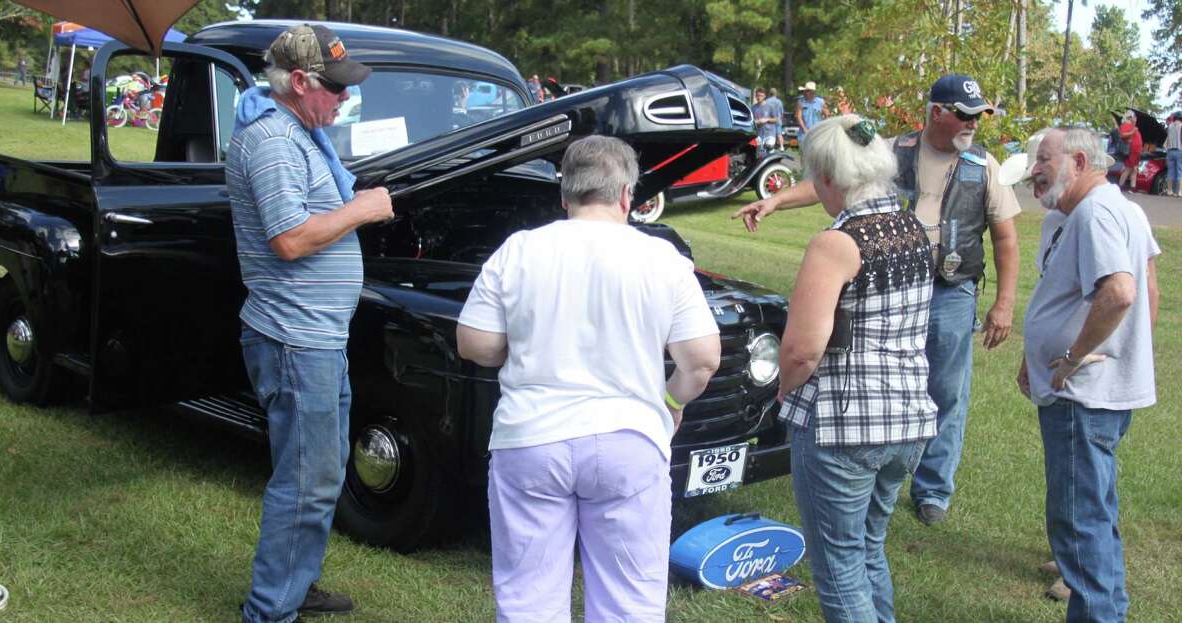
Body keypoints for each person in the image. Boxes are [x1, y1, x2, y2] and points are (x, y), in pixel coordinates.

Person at [736, 74, 1021, 526]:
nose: (973, 124)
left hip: (949, 289)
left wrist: (1003, 303)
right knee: (892, 371)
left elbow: (1005, 238)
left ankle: (932, 490)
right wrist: (775, 201)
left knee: (947, 392)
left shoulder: (983, 165)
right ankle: (881, 468)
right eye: (965, 114)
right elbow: (832, 181)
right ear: (937, 113)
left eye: (979, 115)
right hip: (889, 279)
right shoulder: (892, 150)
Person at [456, 135, 721, 622]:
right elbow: (702, 361)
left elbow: (475, 344)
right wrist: (670, 401)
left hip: (531, 438)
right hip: (630, 437)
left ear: (565, 196)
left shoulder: (519, 250)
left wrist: (516, 345)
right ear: (626, 195)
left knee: (527, 598)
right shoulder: (662, 259)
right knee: (630, 601)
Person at [225, 24, 394, 623]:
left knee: (318, 473)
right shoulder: (274, 141)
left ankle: (296, 585)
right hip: (296, 340)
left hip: (314, 337)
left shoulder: (299, 132)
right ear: (298, 82)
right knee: (305, 482)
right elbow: (290, 240)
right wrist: (361, 209)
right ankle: (272, 611)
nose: (344, 99)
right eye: (335, 88)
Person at [776, 114, 937, 623]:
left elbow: (802, 349)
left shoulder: (836, 244)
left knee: (840, 565)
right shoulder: (914, 227)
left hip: (845, 425)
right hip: (907, 420)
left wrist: (783, 391)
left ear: (828, 176)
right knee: (868, 549)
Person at [1020, 126, 1159, 623]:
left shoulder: (1096, 212)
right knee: (1094, 511)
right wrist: (1033, 357)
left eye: (1044, 159)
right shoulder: (1114, 209)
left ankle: (1099, 615)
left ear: (1078, 161)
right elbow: (1147, 292)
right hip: (1099, 391)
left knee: (1078, 522)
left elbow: (1121, 292)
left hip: (1084, 396)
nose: (1036, 168)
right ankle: (1108, 608)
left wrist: (1075, 357)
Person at [1117, 111, 1142, 191]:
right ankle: (1120, 185)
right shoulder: (1126, 125)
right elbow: (1122, 135)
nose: (1135, 118)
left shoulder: (1133, 126)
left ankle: (1132, 187)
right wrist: (1132, 132)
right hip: (1131, 150)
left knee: (1134, 169)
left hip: (1136, 151)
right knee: (1128, 168)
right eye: (1134, 117)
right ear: (1130, 117)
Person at [752, 87, 778, 156]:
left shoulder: (770, 106)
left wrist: (766, 119)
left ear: (764, 96)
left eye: (761, 96)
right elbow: (752, 120)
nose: (759, 97)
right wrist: (756, 121)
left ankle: (772, 165)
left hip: (770, 133)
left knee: (769, 151)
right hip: (759, 134)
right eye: (757, 95)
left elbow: (776, 119)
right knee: (760, 154)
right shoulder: (753, 107)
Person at [1165, 111, 1182, 196]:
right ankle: (1180, 191)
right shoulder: (1181, 126)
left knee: (1170, 171)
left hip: (1170, 151)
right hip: (1179, 150)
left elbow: (1168, 139)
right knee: (1180, 171)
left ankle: (1169, 190)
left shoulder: (1170, 126)